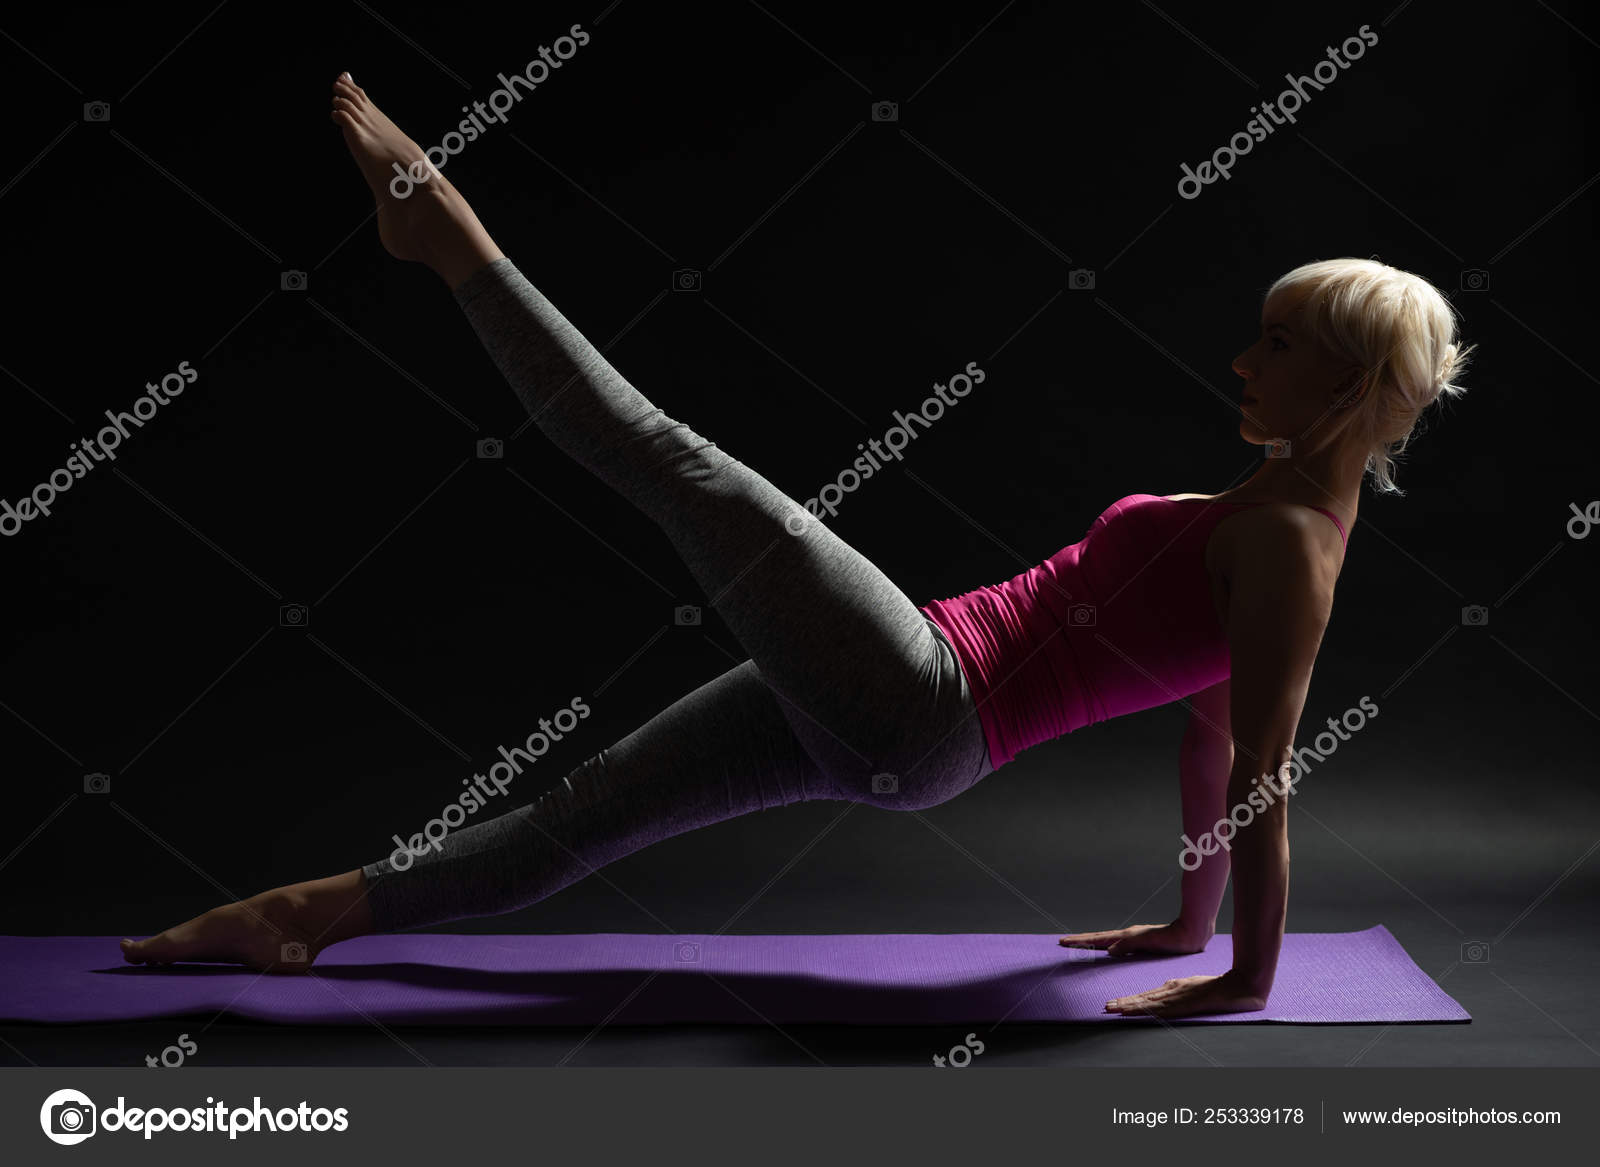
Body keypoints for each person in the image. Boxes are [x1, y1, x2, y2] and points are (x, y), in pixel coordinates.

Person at [119, 74, 1473, 1019]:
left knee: (670, 458)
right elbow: (1203, 736)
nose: (1243, 355)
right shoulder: (1283, 523)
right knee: (568, 825)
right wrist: (1184, 926)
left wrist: (1244, 976)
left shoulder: (1290, 547)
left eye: (1280, 344)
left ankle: (446, 237)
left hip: (927, 697)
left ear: (1352, 383)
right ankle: (295, 919)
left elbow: (1259, 772)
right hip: (897, 707)